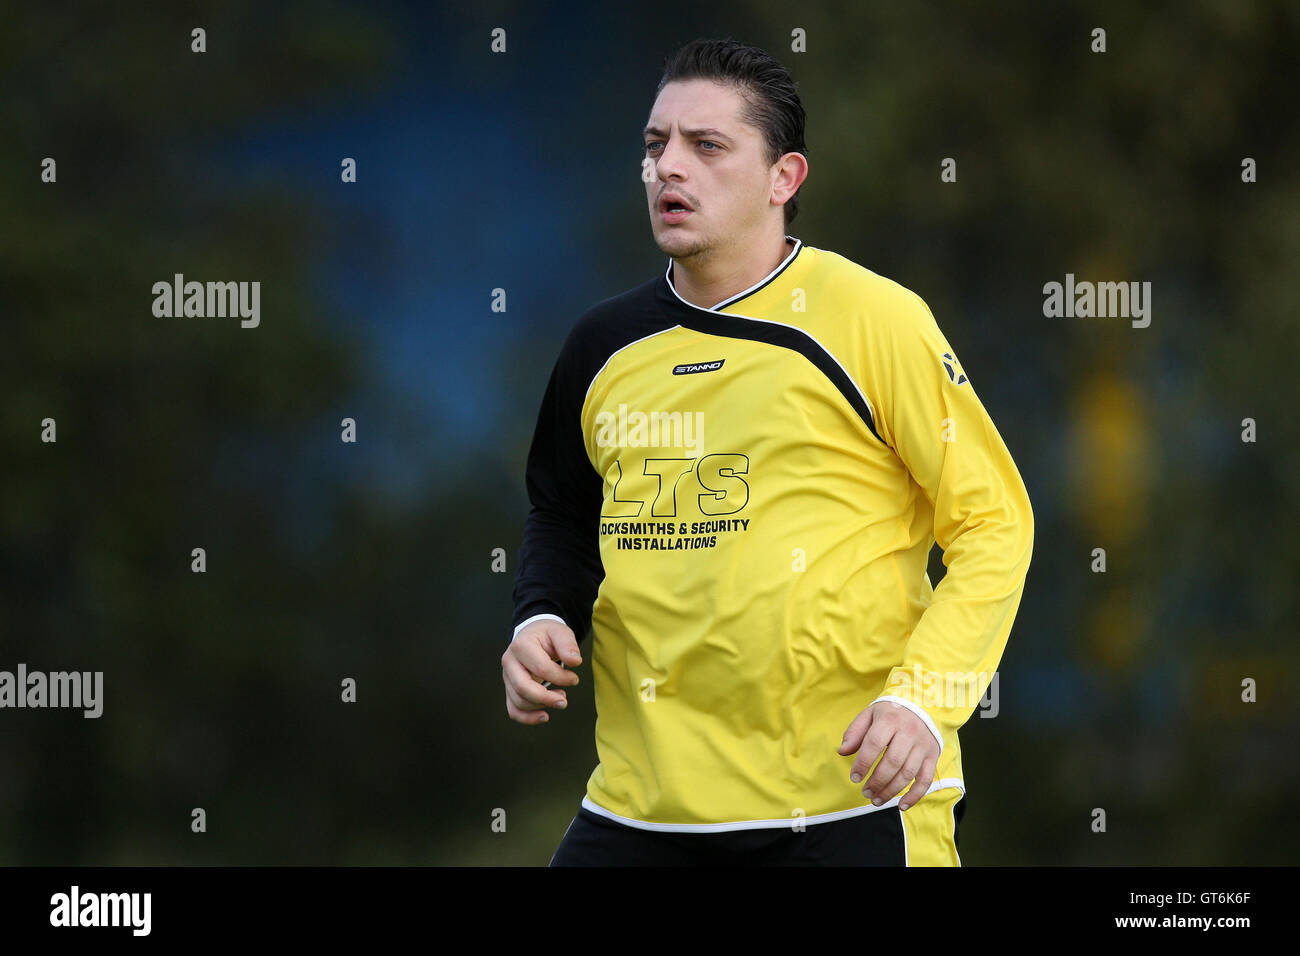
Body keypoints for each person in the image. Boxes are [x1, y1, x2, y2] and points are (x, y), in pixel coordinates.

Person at [502, 37, 1034, 866]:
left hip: (844, 810)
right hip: (637, 818)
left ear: (784, 179)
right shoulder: (599, 346)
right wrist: (540, 614)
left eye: (706, 146)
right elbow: (563, 512)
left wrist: (925, 702)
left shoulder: (874, 318)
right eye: (655, 145)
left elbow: (995, 524)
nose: (668, 168)